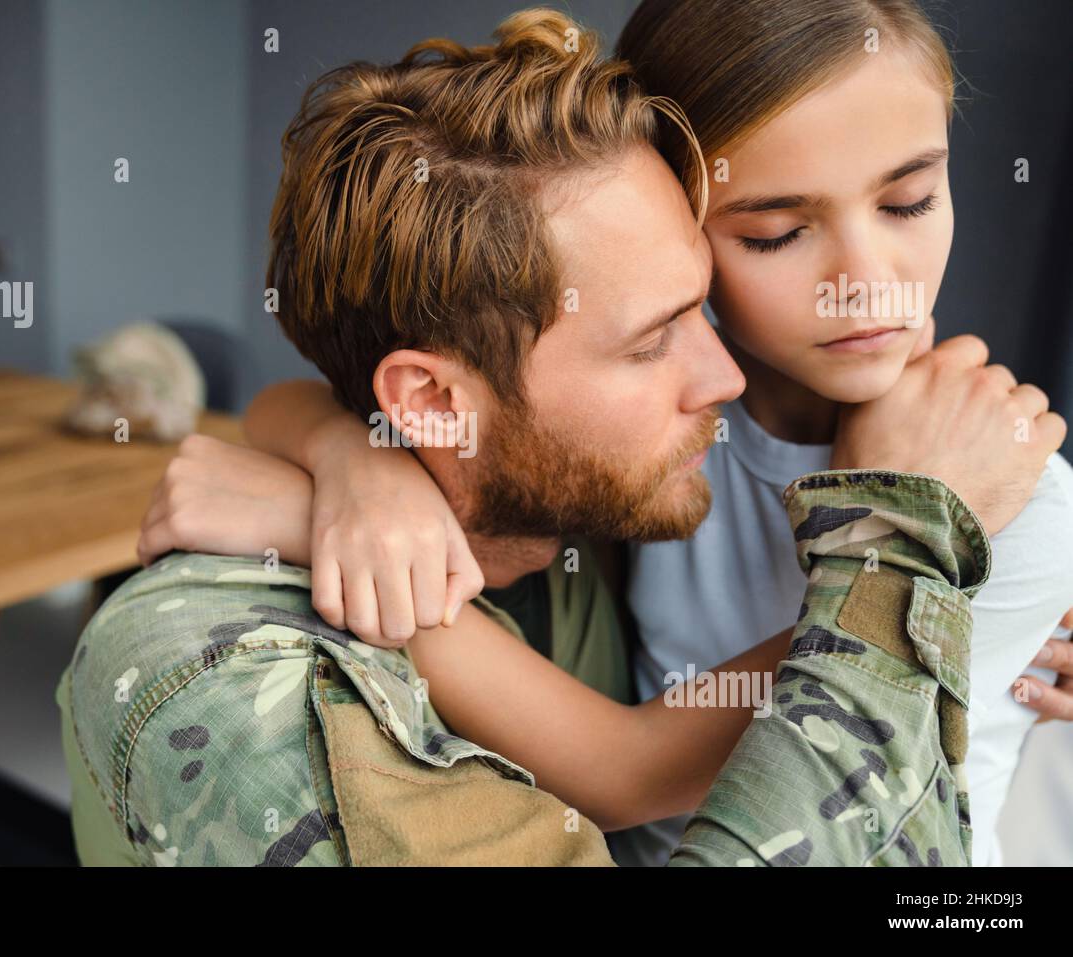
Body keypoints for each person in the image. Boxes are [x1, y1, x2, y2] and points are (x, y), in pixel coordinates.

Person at [63, 8, 1063, 866]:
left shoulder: (974, 489)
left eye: (909, 199)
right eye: (769, 234)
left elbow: (627, 767)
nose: (868, 281)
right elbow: (629, 766)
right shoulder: (663, 441)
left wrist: (318, 489)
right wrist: (347, 466)